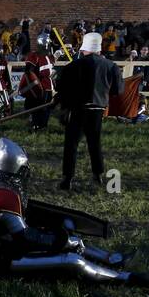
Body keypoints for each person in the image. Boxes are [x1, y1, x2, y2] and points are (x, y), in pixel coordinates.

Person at [0, 138, 149, 285]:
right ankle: (125, 278)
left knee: (73, 241)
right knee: (73, 260)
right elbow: (26, 237)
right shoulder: (5, 196)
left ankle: (113, 259)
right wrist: (62, 240)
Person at [56, 32, 122, 190]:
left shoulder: (72, 66)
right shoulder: (111, 66)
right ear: (99, 49)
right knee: (94, 142)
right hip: (97, 109)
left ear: (83, 48)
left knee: (71, 143)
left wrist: (63, 104)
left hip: (77, 109)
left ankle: (67, 178)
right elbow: (117, 90)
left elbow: (62, 89)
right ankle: (97, 175)